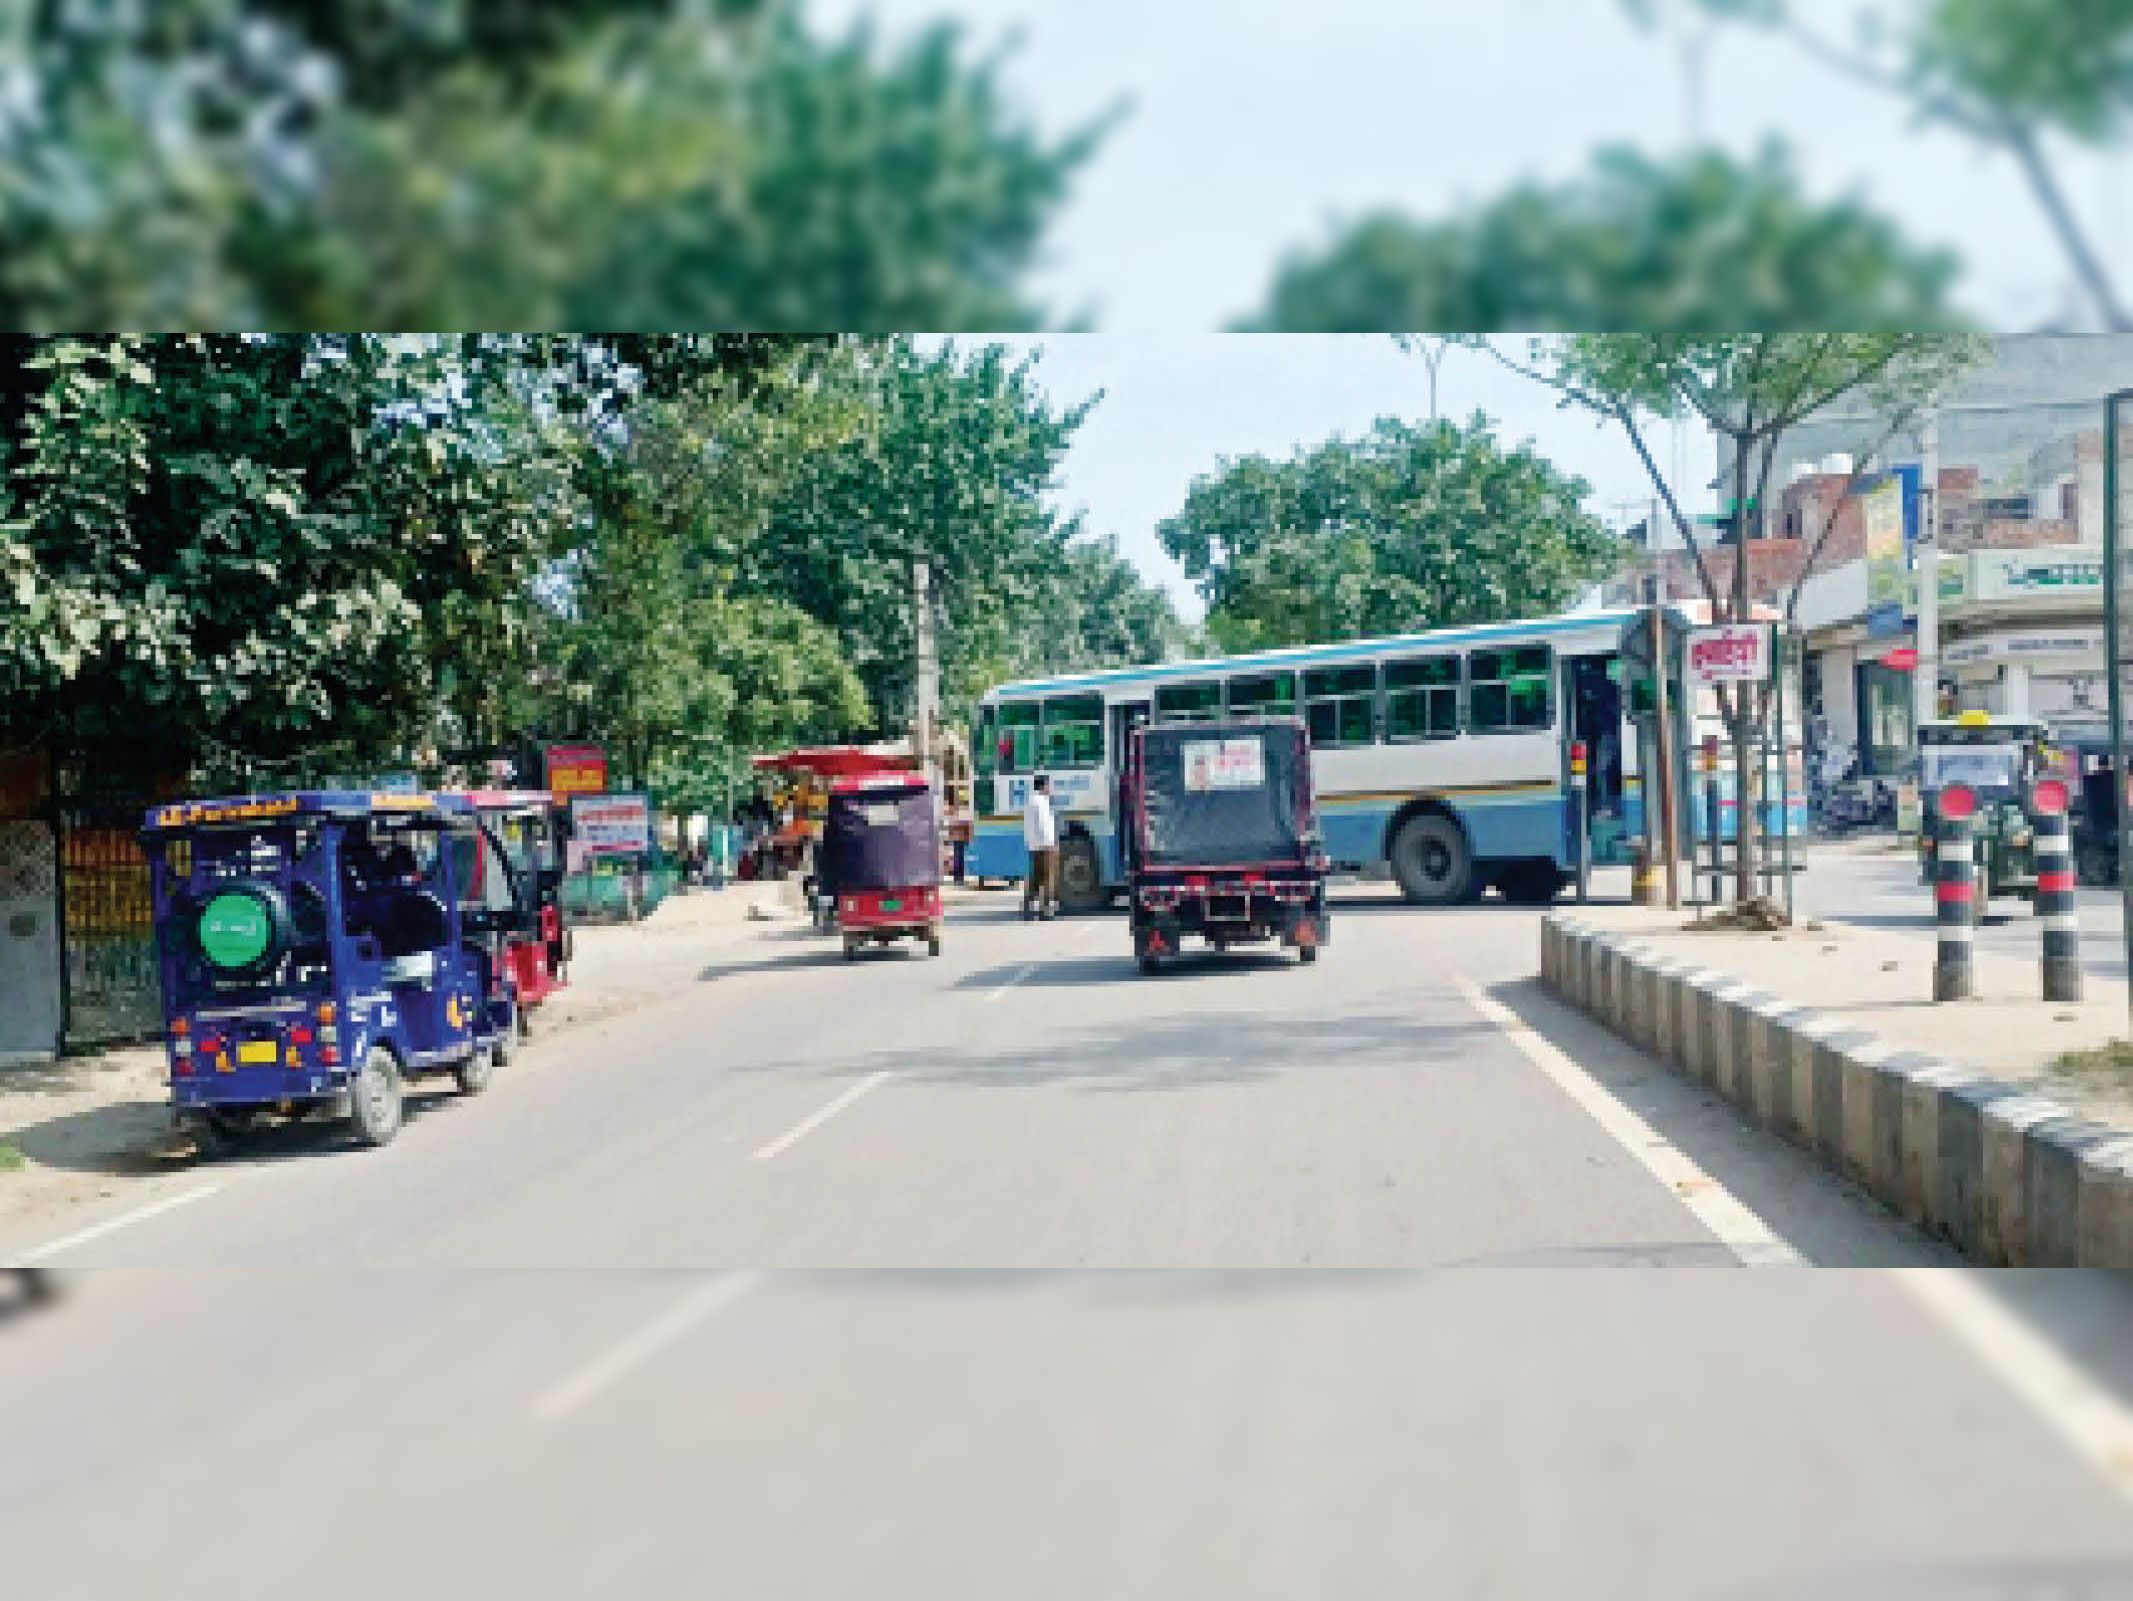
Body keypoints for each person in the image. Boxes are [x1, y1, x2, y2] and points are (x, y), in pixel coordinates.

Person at [1022, 774, 1059, 921]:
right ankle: (1045, 911)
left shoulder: (1030, 801)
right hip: (1044, 845)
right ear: (1043, 786)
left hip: (1033, 845)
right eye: (1048, 785)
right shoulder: (1041, 802)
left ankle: (1028, 909)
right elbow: (1043, 825)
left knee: (1034, 878)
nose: (1050, 789)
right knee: (1047, 878)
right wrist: (1051, 844)